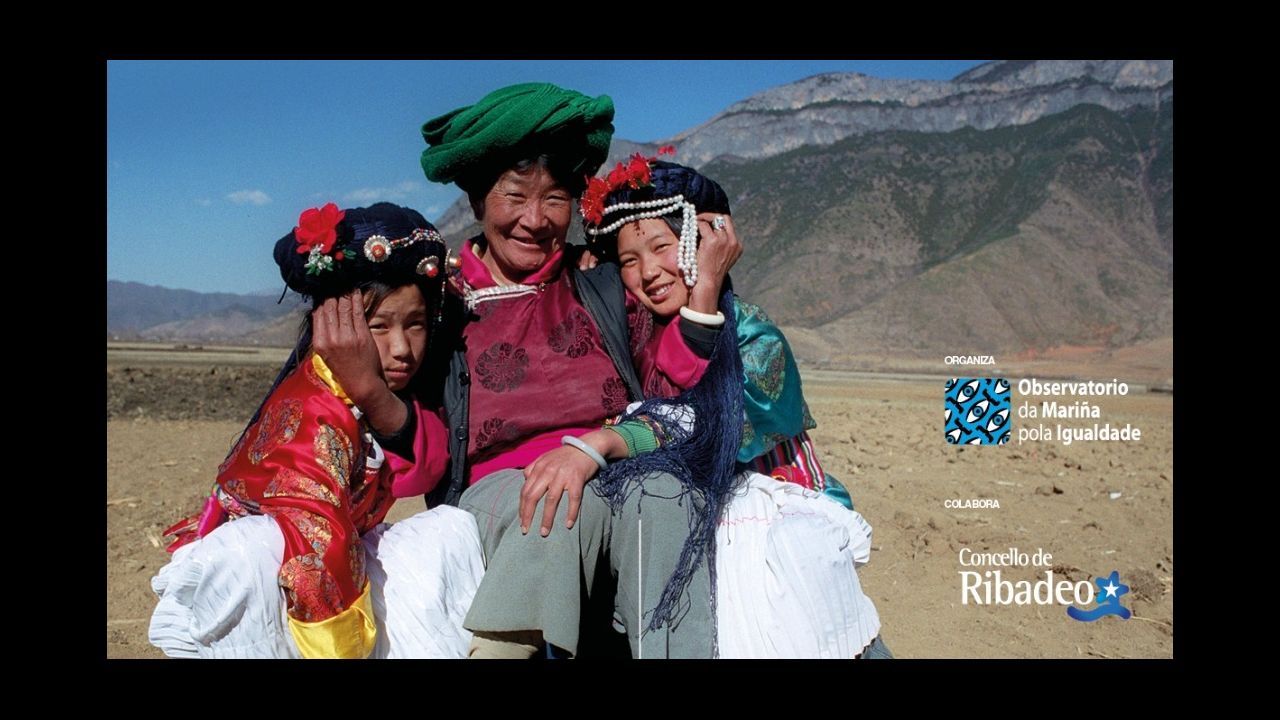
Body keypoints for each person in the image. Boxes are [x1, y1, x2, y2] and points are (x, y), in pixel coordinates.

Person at [410, 82, 741, 658]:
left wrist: (705, 289)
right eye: (514, 197)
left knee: (665, 491)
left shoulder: (601, 286)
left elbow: (671, 395)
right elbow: (412, 439)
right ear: (478, 200)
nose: (535, 220)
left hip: (613, 470)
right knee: (560, 498)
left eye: (556, 199)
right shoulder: (442, 304)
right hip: (506, 494)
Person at [582, 158, 891, 658]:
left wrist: (704, 288)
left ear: (702, 245)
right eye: (630, 260)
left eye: (663, 247)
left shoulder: (753, 334)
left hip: (769, 499)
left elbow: (713, 431)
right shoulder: (634, 338)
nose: (649, 271)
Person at [148, 202, 485, 659]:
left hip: (324, 562)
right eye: (378, 326)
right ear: (334, 328)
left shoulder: (356, 394)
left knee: (450, 532)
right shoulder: (317, 414)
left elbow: (424, 470)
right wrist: (342, 649)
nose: (402, 348)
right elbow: (315, 546)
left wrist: (371, 390)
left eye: (417, 324)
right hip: (275, 574)